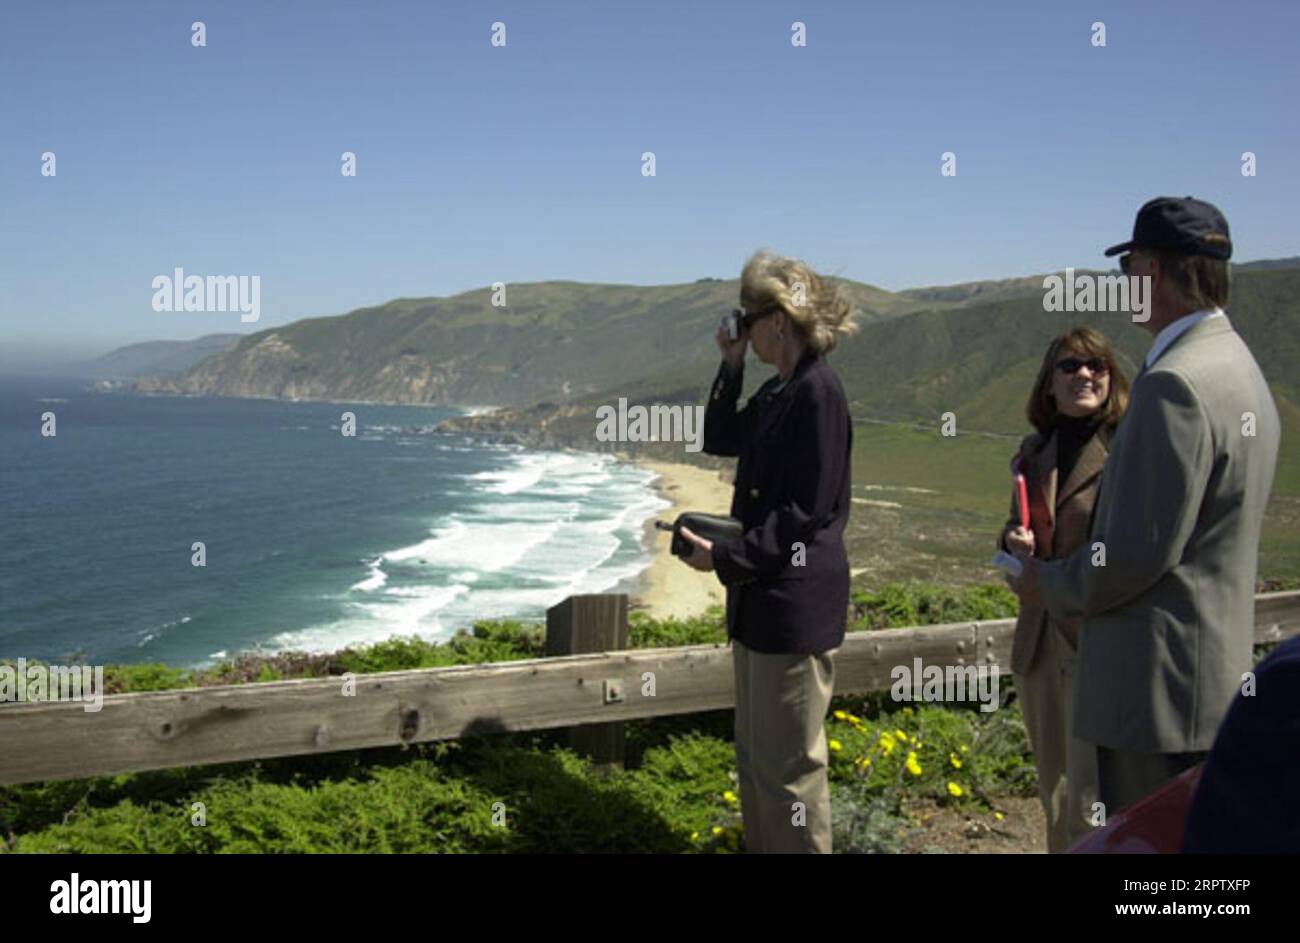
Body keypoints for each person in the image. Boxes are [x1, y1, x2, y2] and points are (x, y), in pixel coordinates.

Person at [1009, 196, 1280, 818]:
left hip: (1153, 694)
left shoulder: (1173, 385)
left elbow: (1131, 555)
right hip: (1205, 681)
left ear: (1153, 271)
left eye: (1128, 269)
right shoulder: (1237, 366)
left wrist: (1041, 581)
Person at [677, 249, 856, 853]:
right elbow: (720, 437)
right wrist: (730, 365)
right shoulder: (782, 390)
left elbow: (803, 514)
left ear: (777, 320)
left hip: (792, 611)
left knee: (791, 773)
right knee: (758, 760)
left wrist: (724, 560)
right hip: (763, 606)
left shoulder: (816, 393)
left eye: (745, 318)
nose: (741, 328)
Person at [1000, 327, 1130, 852]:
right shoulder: (1035, 451)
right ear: (1049, 384)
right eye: (1070, 366)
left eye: (1096, 366)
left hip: (1096, 641)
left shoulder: (1128, 448)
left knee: (1091, 796)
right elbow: (1014, 526)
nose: (1084, 375)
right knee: (1052, 791)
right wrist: (1012, 542)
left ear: (1111, 378)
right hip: (1038, 641)